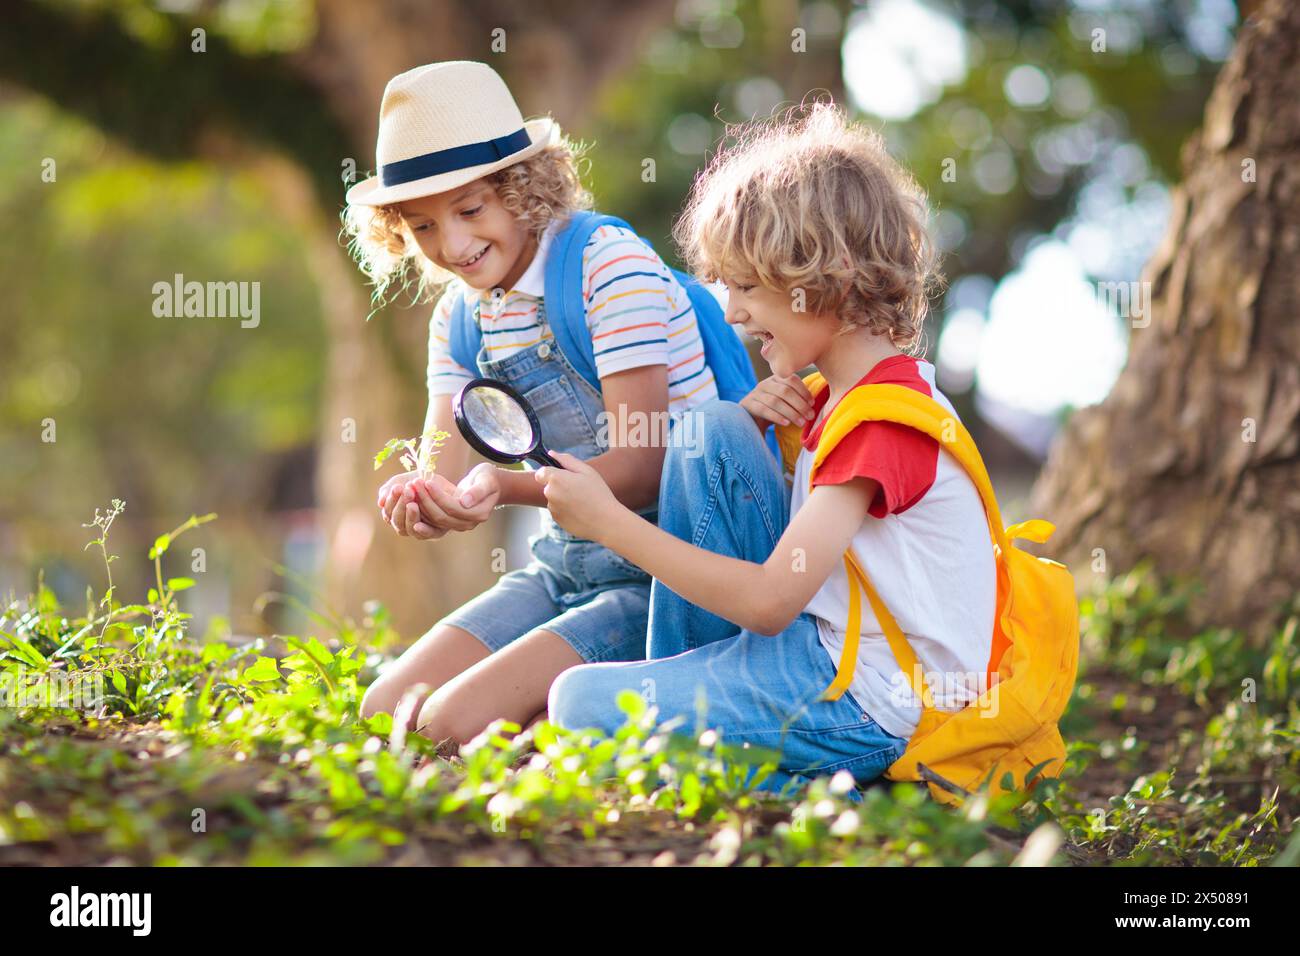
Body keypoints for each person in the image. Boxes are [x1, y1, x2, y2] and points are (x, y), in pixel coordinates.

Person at [540, 101, 997, 798]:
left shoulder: (886, 421)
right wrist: (745, 427)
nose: (730, 312)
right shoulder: (838, 398)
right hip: (822, 659)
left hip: (870, 705)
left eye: (748, 286)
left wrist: (609, 523)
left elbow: (769, 601)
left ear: (830, 276)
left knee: (577, 704)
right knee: (710, 427)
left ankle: (805, 786)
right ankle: (697, 732)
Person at [341, 61, 721, 748]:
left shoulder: (610, 268)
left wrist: (503, 486)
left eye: (470, 210)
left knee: (444, 728)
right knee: (384, 711)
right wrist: (424, 499)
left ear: (521, 187)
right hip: (564, 564)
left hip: (666, 571)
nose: (452, 246)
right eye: (422, 227)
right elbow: (441, 462)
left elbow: (643, 464)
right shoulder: (459, 318)